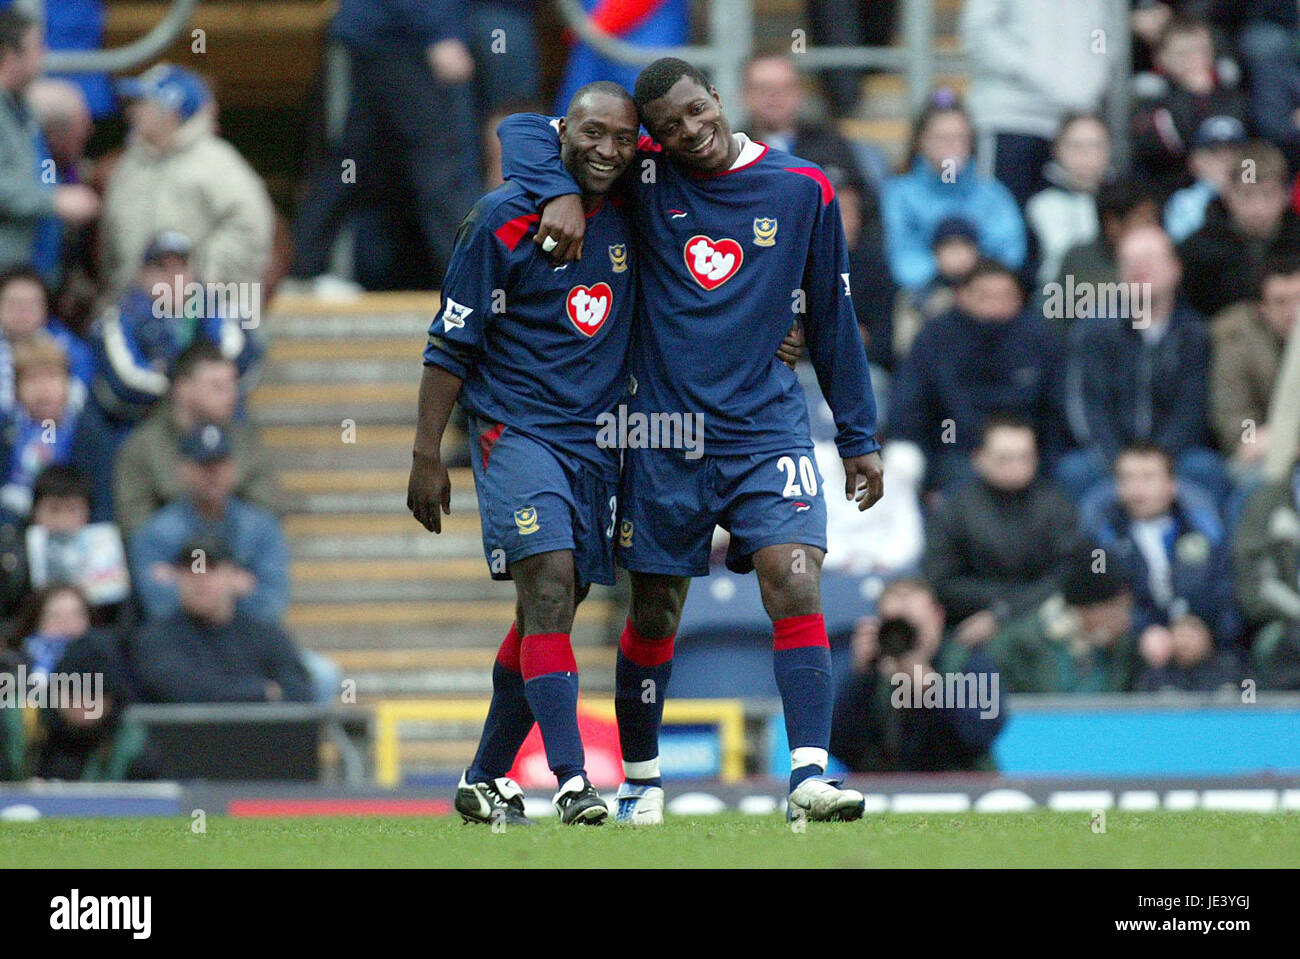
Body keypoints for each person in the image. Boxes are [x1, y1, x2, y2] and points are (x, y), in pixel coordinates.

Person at [498, 57, 885, 824]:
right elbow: (521, 132)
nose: (690, 133)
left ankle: (808, 771)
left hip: (764, 426)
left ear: (717, 95)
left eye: (696, 113)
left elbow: (833, 318)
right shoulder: (644, 177)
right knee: (654, 613)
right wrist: (558, 195)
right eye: (669, 128)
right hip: (661, 432)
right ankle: (642, 778)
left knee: (794, 574)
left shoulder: (804, 187)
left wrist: (857, 435)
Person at [408, 83, 642, 827]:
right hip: (515, 431)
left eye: (623, 139)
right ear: (564, 131)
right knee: (549, 587)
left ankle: (482, 776)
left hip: (599, 445)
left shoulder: (639, 206)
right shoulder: (500, 220)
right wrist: (424, 455)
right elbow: (450, 342)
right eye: (592, 134)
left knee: (553, 606)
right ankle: (574, 781)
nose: (607, 150)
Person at [290, 0, 480, 289]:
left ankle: (301, 269)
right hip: (400, 39)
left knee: (352, 164)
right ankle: (471, 284)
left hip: (388, 35)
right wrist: (436, 32)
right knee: (438, 164)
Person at [1060, 225, 1222, 503]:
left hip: (1175, 458)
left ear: (1175, 269)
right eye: (1129, 260)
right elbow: (1087, 407)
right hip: (1108, 457)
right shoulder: (1092, 330)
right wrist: (1123, 464)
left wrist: (1156, 466)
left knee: (1205, 468)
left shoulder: (1195, 333)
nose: (1138, 268)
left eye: (1149, 259)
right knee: (1074, 471)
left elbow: (1193, 409)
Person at [888, 260, 1067, 494]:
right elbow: (910, 406)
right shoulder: (936, 338)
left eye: (1005, 296)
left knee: (1070, 471)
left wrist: (1036, 454)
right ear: (962, 296)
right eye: (984, 296)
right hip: (954, 448)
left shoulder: (1040, 338)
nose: (995, 306)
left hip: (1029, 451)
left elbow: (1056, 409)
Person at [99, 64, 273, 300]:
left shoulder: (217, 162)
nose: (133, 112)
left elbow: (249, 229)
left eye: (143, 103)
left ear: (170, 112)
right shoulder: (130, 164)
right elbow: (110, 243)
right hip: (137, 308)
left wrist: (198, 280)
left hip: (205, 311)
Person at [922, 415, 1081, 645]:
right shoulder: (954, 510)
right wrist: (1000, 604)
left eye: (1025, 457)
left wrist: (1005, 611)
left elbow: (1068, 573)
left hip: (1045, 621)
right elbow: (940, 580)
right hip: (967, 623)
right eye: (1004, 458)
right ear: (978, 459)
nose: (1016, 466)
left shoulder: (1057, 505)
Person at [830, 577, 1007, 772]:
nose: (904, 637)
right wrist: (860, 678)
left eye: (912, 627)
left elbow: (980, 733)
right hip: (889, 787)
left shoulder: (968, 662)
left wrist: (934, 690)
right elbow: (839, 746)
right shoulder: (870, 673)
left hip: (960, 784)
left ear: (938, 617)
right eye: (895, 627)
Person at [114, 339, 279, 539]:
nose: (232, 395)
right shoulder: (143, 447)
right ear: (183, 388)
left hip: (237, 559)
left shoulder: (245, 441)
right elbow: (134, 521)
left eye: (233, 385)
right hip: (168, 560)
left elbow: (267, 508)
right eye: (218, 387)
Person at [128, 423, 289, 627]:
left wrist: (184, 582)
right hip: (179, 645)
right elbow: (158, 605)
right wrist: (230, 584)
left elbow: (270, 605)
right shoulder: (156, 532)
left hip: (248, 643)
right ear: (183, 469)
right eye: (203, 466)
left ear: (233, 467)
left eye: (219, 465)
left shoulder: (261, 528)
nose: (213, 475)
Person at [960, 0, 1117, 207]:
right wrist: (1035, 72)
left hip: (1072, 123)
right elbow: (978, 31)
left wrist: (1089, 85)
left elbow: (1101, 34)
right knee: (1006, 212)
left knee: (1068, 221)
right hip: (1010, 119)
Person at [1081, 442, 1234, 644]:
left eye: (1148, 478)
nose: (1137, 489)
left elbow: (1226, 592)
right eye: (1128, 478)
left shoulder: (1202, 529)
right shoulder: (1101, 540)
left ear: (1172, 486)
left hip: (1208, 643)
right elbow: (1098, 602)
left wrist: (1202, 631)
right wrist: (1142, 631)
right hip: (1132, 650)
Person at [131, 537, 311, 705]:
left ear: (234, 576)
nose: (200, 579)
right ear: (177, 578)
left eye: (210, 569)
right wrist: (264, 692)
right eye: (190, 570)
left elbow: (299, 690)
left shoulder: (264, 633)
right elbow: (179, 690)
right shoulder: (157, 636)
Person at [881, 93, 1026, 294]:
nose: (952, 147)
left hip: (984, 294)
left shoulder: (993, 193)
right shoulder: (899, 194)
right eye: (942, 138)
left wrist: (972, 263)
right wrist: (939, 265)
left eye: (960, 138)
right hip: (923, 295)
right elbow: (900, 255)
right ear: (921, 142)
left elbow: (1010, 253)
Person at [0, 9, 99, 273]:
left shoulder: (21, 107)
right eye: (36, 47)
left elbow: (34, 172)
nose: (44, 54)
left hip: (30, 272)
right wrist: (54, 200)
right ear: (10, 55)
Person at [1131, 17, 1251, 203]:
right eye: (1183, 54)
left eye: (1202, 51)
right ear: (1161, 59)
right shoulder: (1150, 100)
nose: (1195, 60)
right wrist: (1191, 96)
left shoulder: (1232, 96)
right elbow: (1165, 150)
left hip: (1236, 188)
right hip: (1174, 191)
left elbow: (1244, 139)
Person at [1178, 141, 1300, 319]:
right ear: (1229, 195)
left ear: (1284, 195)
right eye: (1247, 194)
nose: (1258, 208)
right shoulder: (1199, 251)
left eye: (1268, 194)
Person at [1209, 254, 1300, 479]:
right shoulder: (1236, 338)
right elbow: (1234, 413)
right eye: (1281, 301)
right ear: (1261, 308)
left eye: (1299, 298)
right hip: (1260, 450)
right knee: (1254, 479)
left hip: (1284, 440)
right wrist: (1251, 436)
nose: (1293, 312)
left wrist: (1284, 437)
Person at [1025, 114, 1112, 286]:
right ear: (1057, 150)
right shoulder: (1042, 204)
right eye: (1076, 146)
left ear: (1109, 150)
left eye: (1095, 146)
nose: (1086, 154)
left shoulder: (1124, 201)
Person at [0, 333, 80, 516]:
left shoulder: (86, 431)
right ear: (16, 389)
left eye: (52, 377)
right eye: (31, 379)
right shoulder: (6, 430)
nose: (43, 389)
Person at [0, 265, 93, 413]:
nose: (22, 311)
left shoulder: (68, 347)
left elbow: (77, 402)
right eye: (13, 303)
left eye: (31, 304)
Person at [1054, 180, 1161, 298]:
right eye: (1145, 221)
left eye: (1154, 220)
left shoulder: (1162, 256)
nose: (1153, 229)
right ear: (1113, 225)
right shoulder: (1079, 261)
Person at [1163, 114, 1247, 243]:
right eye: (1214, 153)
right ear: (1194, 162)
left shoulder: (1256, 195)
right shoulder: (1184, 204)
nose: (1226, 161)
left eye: (1234, 152)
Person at [1134, 612, 1241, 692]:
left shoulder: (1229, 668)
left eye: (1192, 636)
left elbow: (1253, 700)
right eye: (1181, 636)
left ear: (1207, 638)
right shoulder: (1156, 675)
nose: (1186, 642)